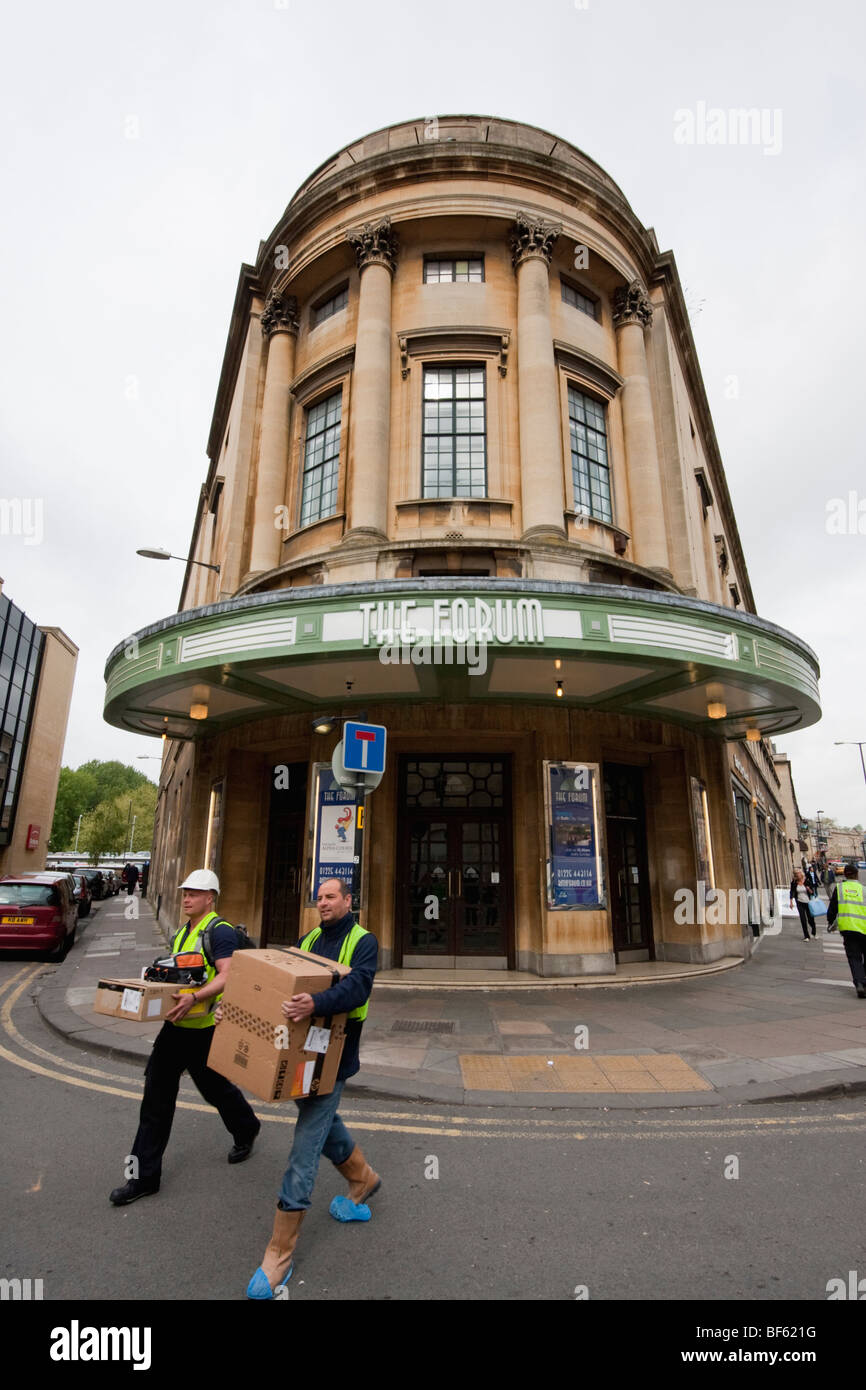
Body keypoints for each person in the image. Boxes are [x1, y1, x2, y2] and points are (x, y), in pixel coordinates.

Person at [245, 876, 379, 1299]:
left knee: (305, 1142)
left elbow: (358, 988)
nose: (322, 903)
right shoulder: (309, 937)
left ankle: (279, 1253)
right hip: (303, 1055)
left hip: (335, 1058)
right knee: (321, 1121)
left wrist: (316, 1003)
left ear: (348, 900)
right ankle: (363, 1179)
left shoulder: (363, 941)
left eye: (330, 897)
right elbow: (289, 982)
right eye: (318, 897)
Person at [109, 869, 260, 1205]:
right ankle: (143, 1178)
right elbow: (176, 970)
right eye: (185, 892)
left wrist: (196, 998)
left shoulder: (219, 931)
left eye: (194, 893)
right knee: (155, 1101)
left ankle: (246, 1128)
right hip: (175, 1030)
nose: (186, 898)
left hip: (204, 1031)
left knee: (216, 1089)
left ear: (211, 897)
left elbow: (228, 974)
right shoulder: (183, 932)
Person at [827, 864, 866, 998]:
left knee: (854, 958)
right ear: (857, 875)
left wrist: (830, 922)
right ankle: (864, 982)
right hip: (864, 929)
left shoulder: (840, 889)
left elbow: (832, 909)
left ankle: (859, 983)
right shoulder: (863, 890)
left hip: (848, 929)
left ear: (845, 875)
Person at [789, 868, 815, 941]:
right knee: (803, 919)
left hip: (808, 902)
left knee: (810, 919)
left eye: (798, 873)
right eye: (796, 874)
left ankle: (813, 929)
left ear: (801, 873)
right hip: (799, 902)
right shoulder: (794, 882)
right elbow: (792, 892)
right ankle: (806, 936)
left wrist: (808, 889)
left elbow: (812, 892)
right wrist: (791, 902)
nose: (798, 875)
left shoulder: (807, 881)